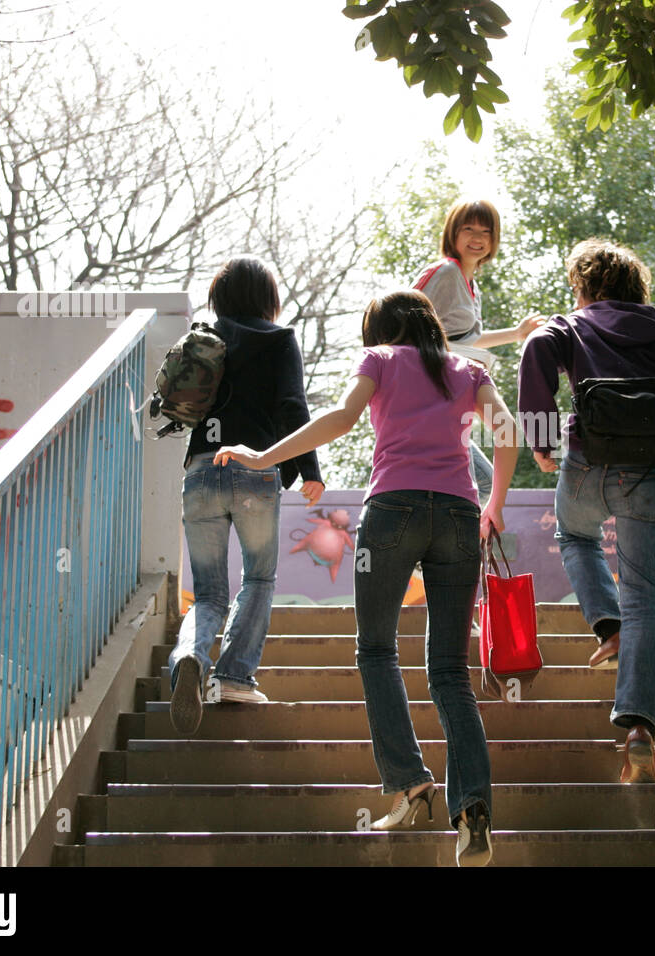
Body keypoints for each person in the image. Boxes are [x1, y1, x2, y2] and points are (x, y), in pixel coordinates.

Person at [215, 289, 517, 867]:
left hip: (394, 514)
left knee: (376, 649)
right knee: (451, 672)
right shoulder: (468, 369)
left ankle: (409, 780)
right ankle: (472, 809)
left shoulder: (379, 360)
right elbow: (505, 430)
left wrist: (261, 457)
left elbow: (341, 418)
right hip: (458, 516)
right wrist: (495, 503)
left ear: (380, 330)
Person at [517, 238, 655, 784]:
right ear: (637, 288)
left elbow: (537, 344)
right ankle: (638, 726)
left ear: (586, 286)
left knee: (576, 536)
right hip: (652, 482)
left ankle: (607, 626)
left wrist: (541, 440)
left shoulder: (572, 325)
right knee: (646, 598)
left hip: (586, 467)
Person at [168, 255, 325, 736]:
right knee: (258, 577)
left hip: (200, 471)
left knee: (209, 591)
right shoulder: (278, 339)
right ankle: (234, 676)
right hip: (254, 470)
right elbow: (291, 406)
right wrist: (309, 469)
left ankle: (189, 657)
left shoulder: (203, 337)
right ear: (267, 296)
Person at [414, 198, 544, 500]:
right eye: (468, 229)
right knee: (479, 484)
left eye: (486, 232)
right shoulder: (445, 272)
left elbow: (466, 338)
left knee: (477, 485)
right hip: (427, 399)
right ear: (452, 233)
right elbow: (405, 323)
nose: (477, 238)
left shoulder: (470, 282)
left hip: (449, 398)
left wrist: (516, 333)